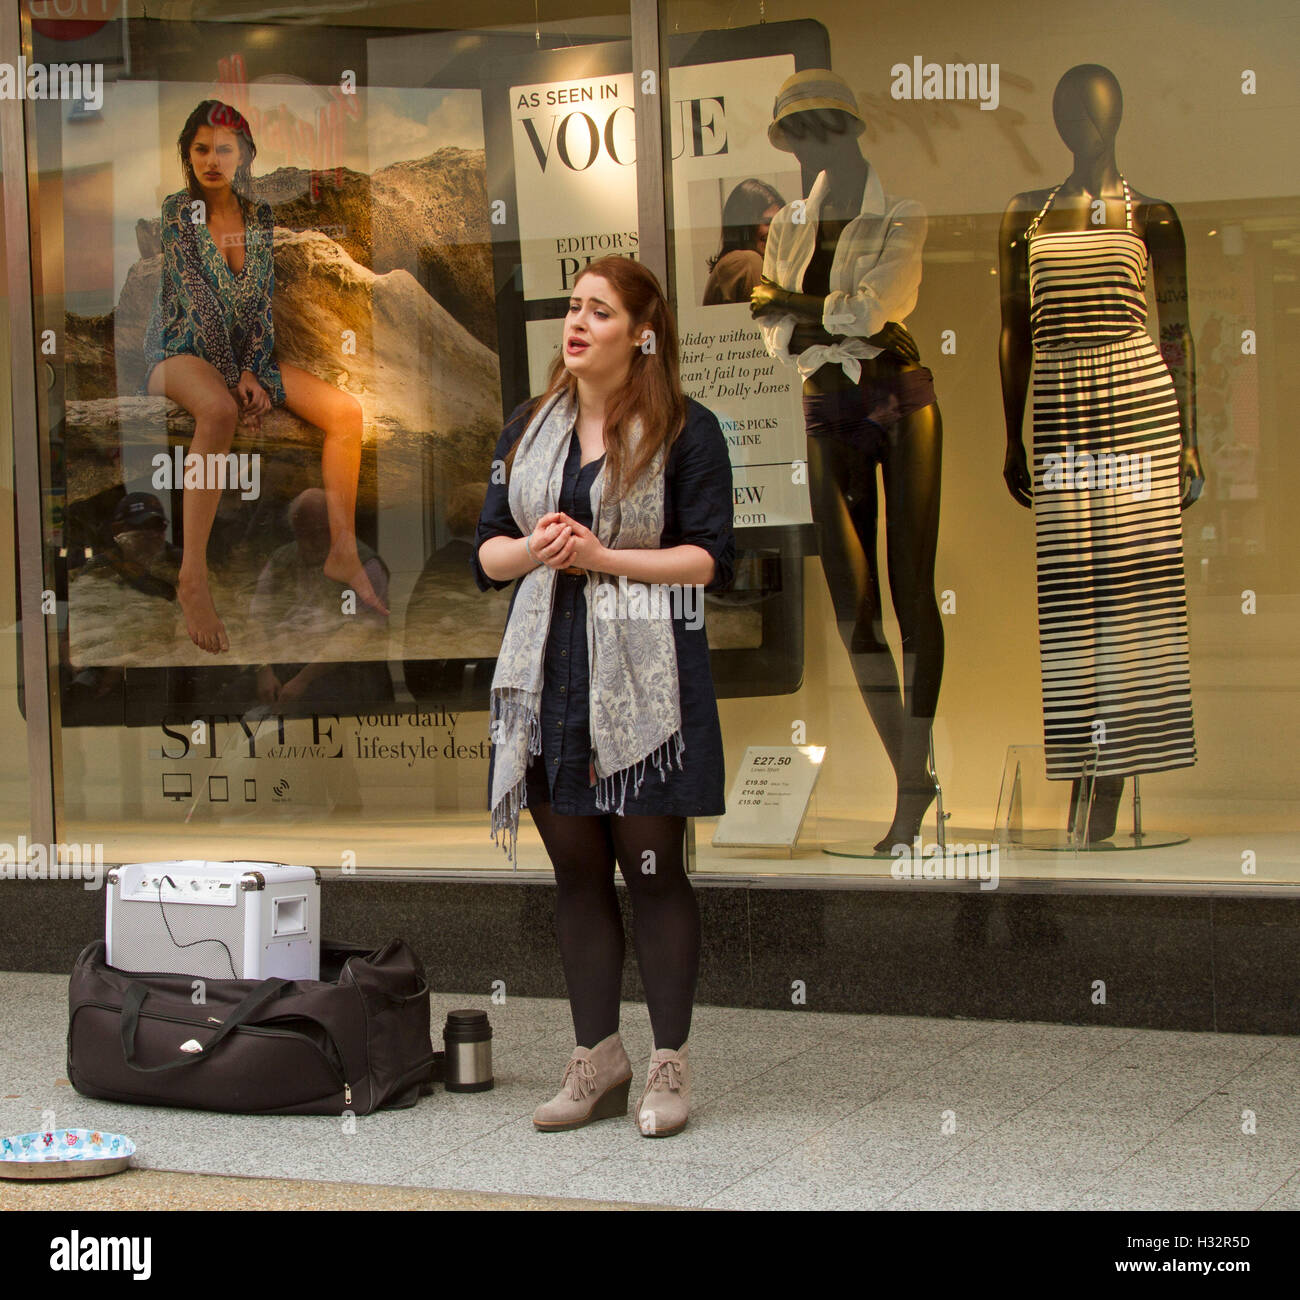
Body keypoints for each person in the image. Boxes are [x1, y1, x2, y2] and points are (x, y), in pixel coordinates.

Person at [473, 256, 734, 1138]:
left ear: (642, 334)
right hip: (548, 674)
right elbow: (487, 555)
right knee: (577, 874)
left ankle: (668, 1065)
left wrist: (605, 556)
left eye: (600, 310)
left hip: (646, 685)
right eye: (573, 307)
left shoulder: (688, 432)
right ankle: (597, 1058)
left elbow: (707, 559)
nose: (576, 323)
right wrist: (539, 547)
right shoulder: (529, 427)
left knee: (654, 873)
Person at [750, 69, 945, 853]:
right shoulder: (792, 223)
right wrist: (817, 317)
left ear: (849, 129)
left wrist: (794, 308)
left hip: (900, 399)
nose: (806, 149)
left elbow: (875, 307)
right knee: (850, 606)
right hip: (826, 410)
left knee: (911, 593)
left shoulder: (903, 210)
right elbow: (775, 338)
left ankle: (911, 784)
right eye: (795, 137)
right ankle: (914, 778)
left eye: (817, 131)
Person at [142, 98, 385, 656]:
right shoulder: (179, 212)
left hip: (242, 358)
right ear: (188, 154)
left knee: (347, 415)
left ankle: (343, 550)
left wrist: (252, 367)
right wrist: (233, 380)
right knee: (220, 411)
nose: (211, 159)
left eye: (223, 149)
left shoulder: (262, 218)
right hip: (179, 351)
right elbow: (199, 304)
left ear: (244, 154)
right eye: (200, 148)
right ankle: (193, 575)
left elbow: (257, 307)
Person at [702, 178, 784, 305]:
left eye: (779, 223)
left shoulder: (736, 261)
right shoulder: (747, 261)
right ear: (744, 228)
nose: (776, 231)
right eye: (767, 222)